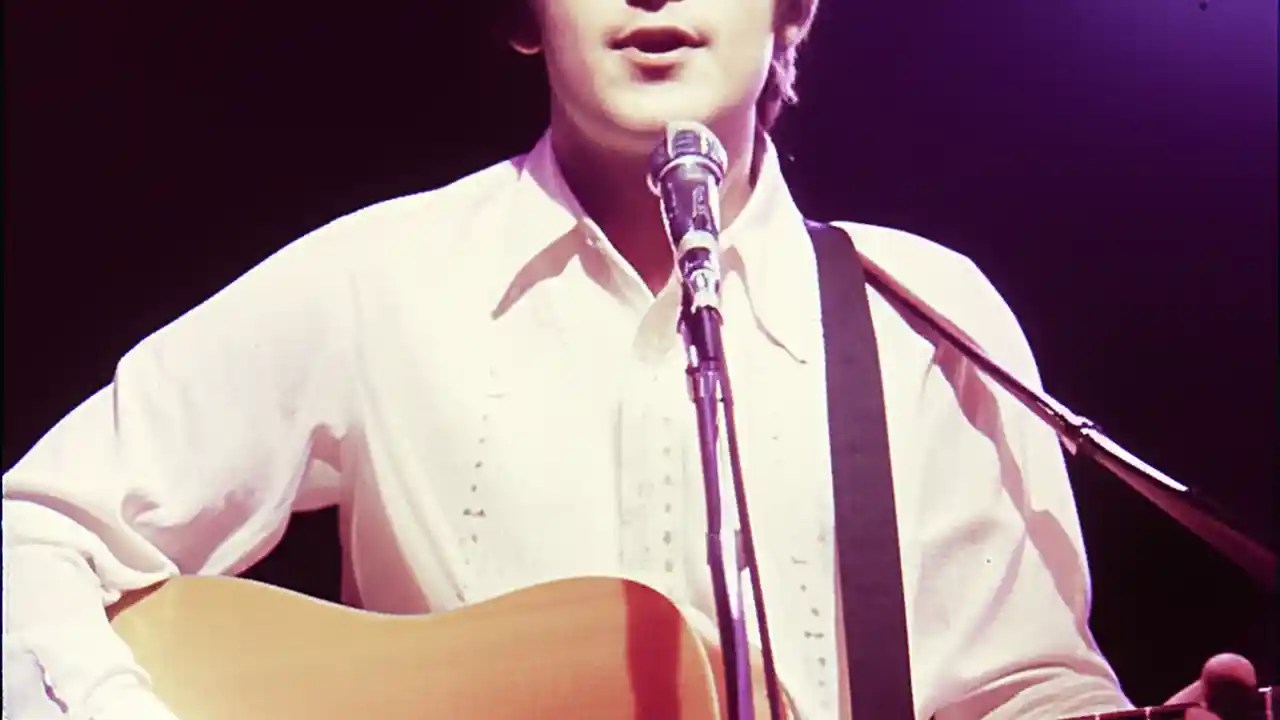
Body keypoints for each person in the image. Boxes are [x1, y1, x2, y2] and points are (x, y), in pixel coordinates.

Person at [1, 1, 1256, 718]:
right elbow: (29, 535)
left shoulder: (924, 312)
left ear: (794, 5)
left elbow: (1018, 690)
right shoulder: (377, 278)